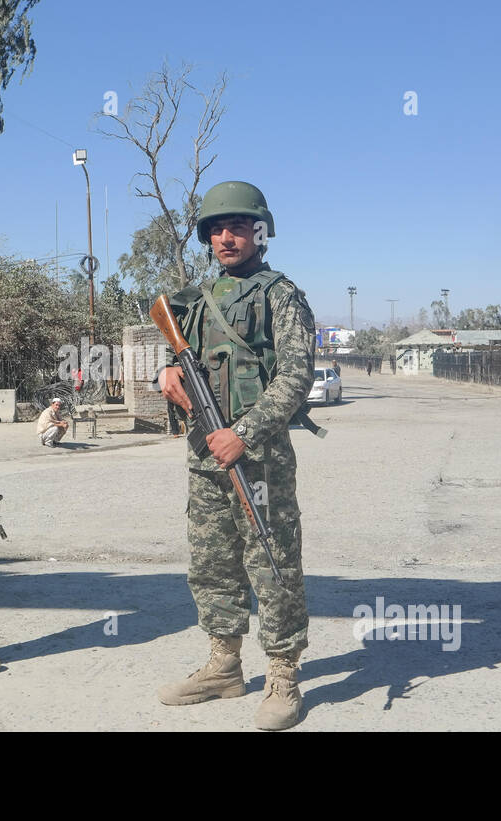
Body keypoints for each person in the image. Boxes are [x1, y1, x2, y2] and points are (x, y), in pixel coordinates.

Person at [155, 180, 315, 731]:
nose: (227, 237)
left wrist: (244, 433)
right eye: (217, 229)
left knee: (272, 562)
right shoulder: (198, 301)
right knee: (212, 560)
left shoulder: (279, 294)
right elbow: (183, 359)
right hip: (206, 452)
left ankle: (282, 674)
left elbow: (297, 375)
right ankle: (224, 666)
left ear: (258, 233)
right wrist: (168, 372)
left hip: (259, 455)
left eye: (238, 228)